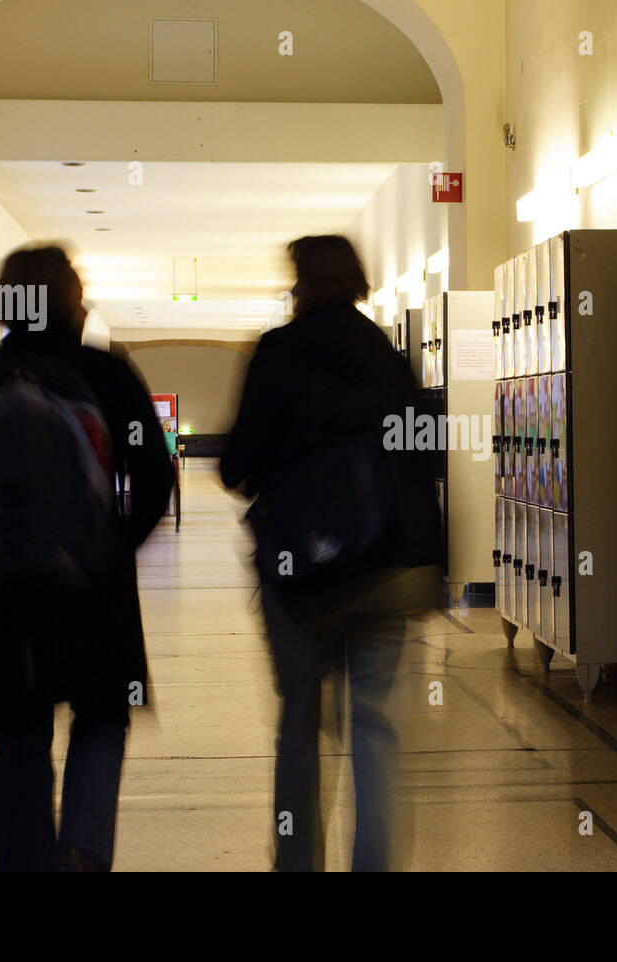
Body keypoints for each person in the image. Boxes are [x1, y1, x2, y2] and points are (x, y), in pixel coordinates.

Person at [0, 244, 174, 871]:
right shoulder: (107, 376)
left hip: (1, 599)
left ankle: (26, 864)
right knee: (102, 717)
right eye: (79, 293)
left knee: (21, 734)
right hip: (91, 589)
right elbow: (154, 478)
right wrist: (111, 548)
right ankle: (82, 854)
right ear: (67, 303)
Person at [221, 234, 442, 871]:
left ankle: (297, 863)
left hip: (300, 575)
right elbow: (424, 456)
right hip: (387, 568)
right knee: (373, 725)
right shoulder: (386, 355)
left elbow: (238, 467)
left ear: (305, 283)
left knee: (299, 723)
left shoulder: (278, 353)